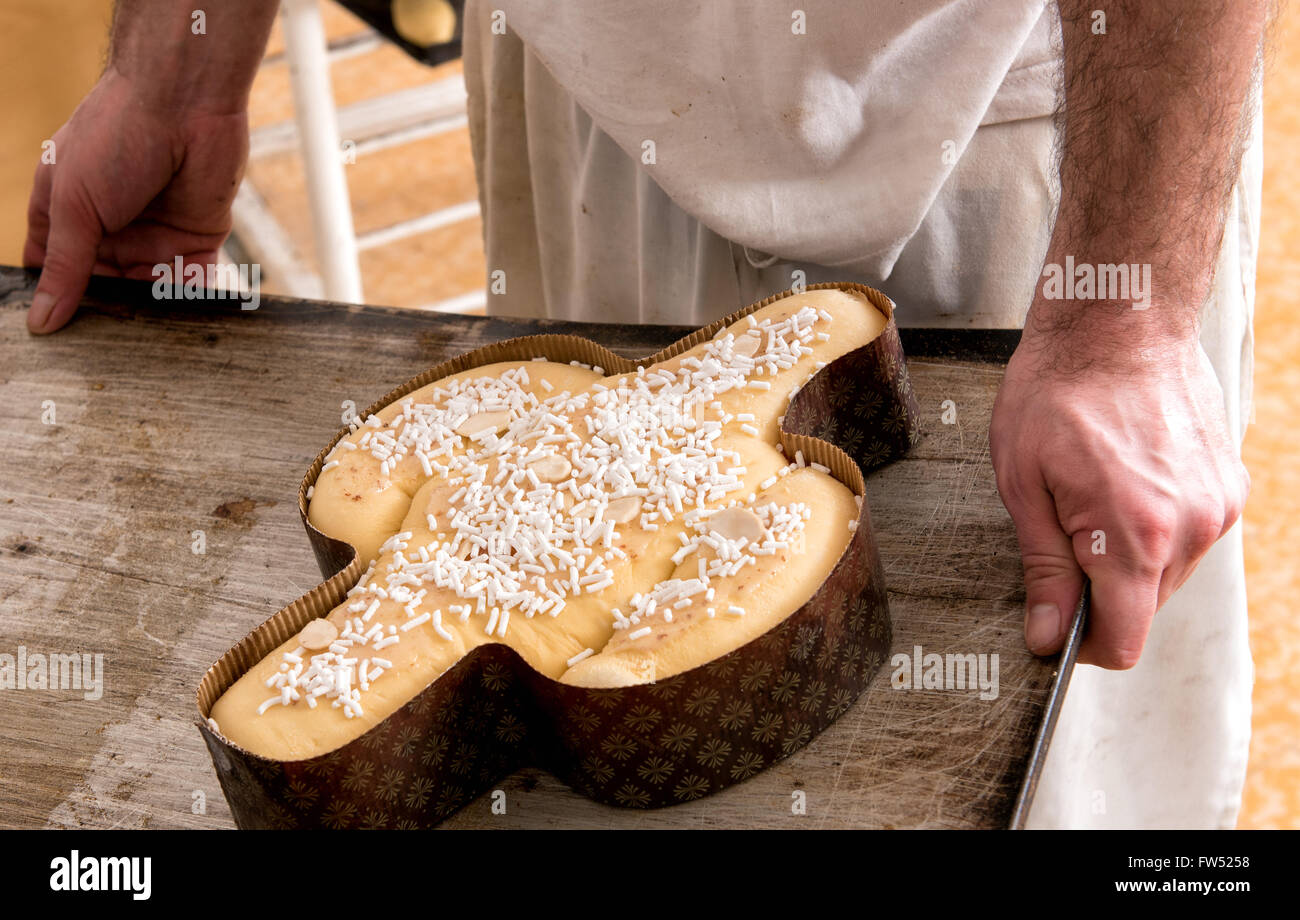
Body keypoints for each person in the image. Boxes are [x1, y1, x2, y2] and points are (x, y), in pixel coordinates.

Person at [23, 0, 1267, 828]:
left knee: (1038, 777)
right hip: (585, 83)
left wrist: (1128, 308)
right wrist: (174, 62)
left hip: (994, 126)